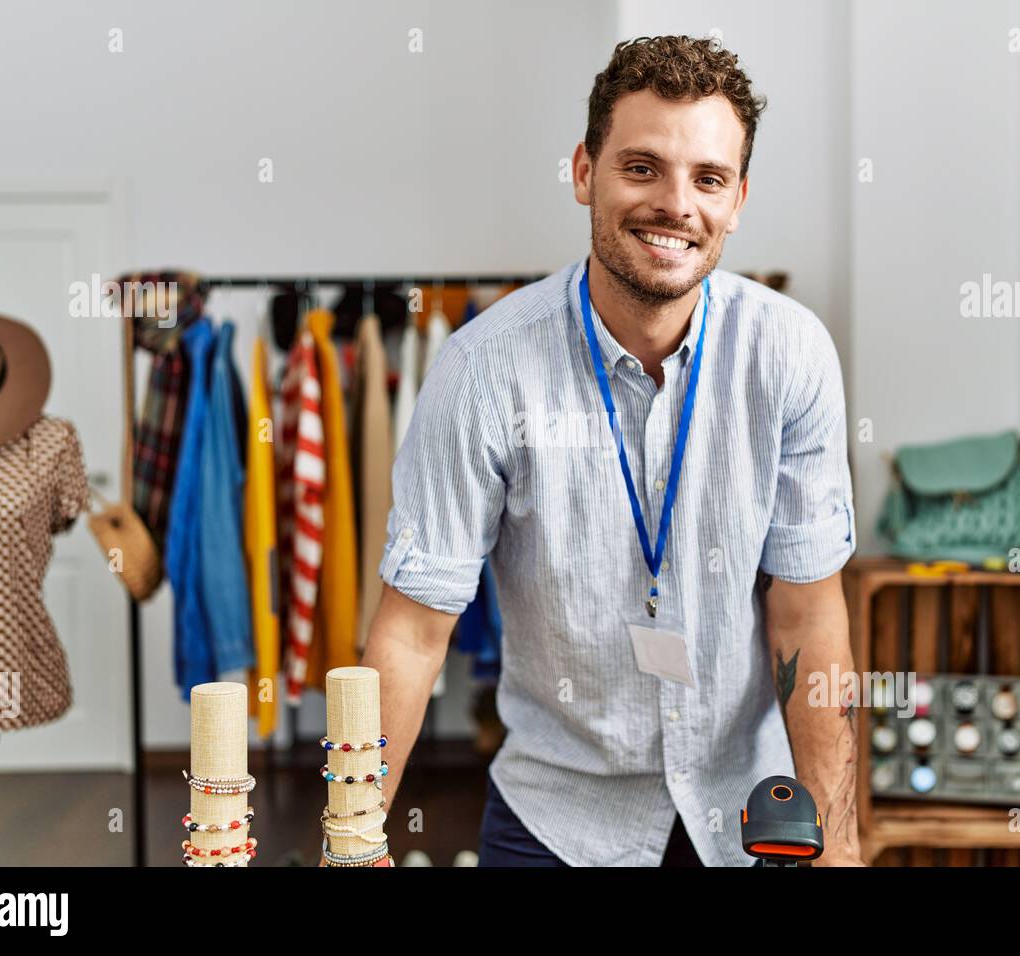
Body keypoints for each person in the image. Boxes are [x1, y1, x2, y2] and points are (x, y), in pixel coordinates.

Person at [361, 35, 863, 866]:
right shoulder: (482, 370)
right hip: (555, 821)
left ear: (737, 199)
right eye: (642, 168)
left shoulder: (792, 353)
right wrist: (354, 834)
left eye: (707, 179)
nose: (676, 204)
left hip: (753, 816)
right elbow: (413, 634)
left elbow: (808, 612)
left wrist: (838, 842)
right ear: (584, 171)